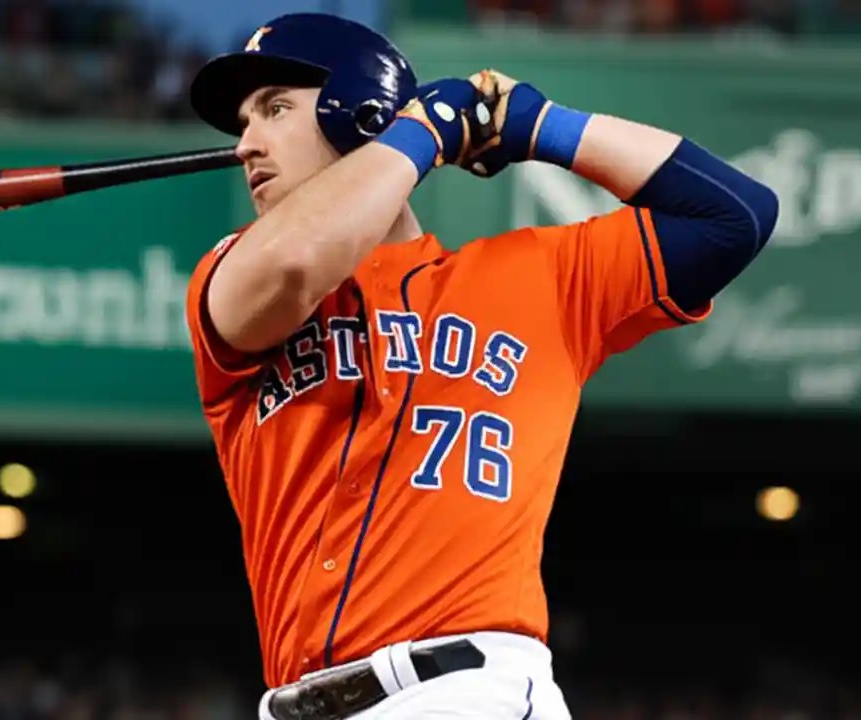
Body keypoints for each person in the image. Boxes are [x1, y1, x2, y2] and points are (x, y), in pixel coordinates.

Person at [183, 12, 777, 720]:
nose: (246, 143)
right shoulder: (232, 272)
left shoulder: (542, 280)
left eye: (275, 108)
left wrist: (542, 126)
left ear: (364, 115)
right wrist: (422, 132)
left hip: (466, 692)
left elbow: (734, 216)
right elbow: (294, 262)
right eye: (243, 122)